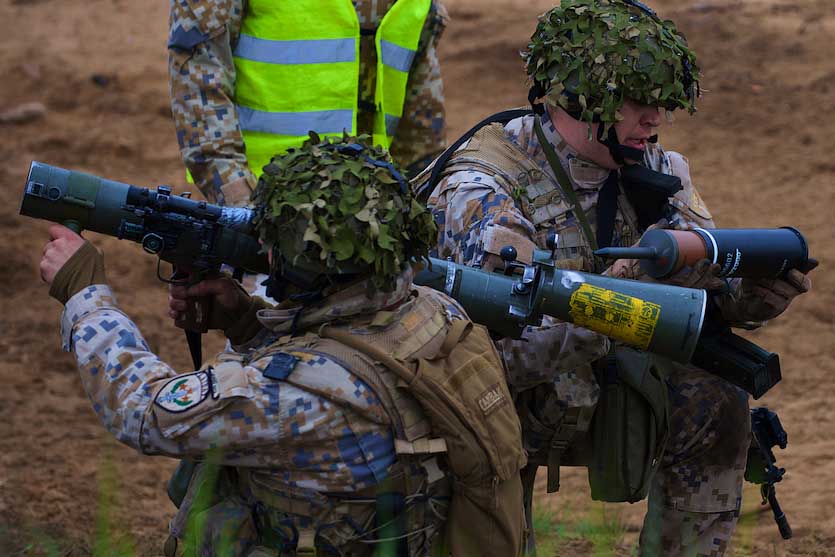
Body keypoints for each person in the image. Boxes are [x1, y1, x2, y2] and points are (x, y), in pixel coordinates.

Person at [418, 0, 812, 554]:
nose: (655, 120)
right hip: (495, 404)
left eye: (662, 104)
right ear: (582, 96)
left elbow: (705, 299)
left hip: (595, 386)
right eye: (638, 102)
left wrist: (752, 296)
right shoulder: (482, 191)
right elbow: (490, 362)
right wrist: (619, 298)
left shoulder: (656, 168)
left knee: (718, 392)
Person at [39, 135, 527, 556]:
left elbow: (144, 412)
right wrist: (249, 326)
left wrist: (86, 294)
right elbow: (351, 355)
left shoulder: (303, 398)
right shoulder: (438, 313)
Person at [167, 0, 449, 209]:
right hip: (261, 211)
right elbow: (199, 85)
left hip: (371, 226)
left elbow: (420, 139)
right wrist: (243, 209)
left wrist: (415, 217)